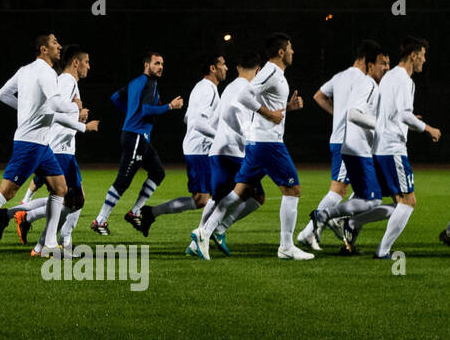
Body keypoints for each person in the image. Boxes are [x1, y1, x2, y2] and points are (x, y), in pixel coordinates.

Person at [0, 33, 80, 260]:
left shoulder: (25, 70)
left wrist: (27, 110)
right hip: (30, 143)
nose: (59, 46)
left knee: (60, 189)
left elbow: (2, 94)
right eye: (55, 43)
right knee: (7, 191)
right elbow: (55, 103)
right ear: (44, 49)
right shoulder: (46, 72)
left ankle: (49, 245)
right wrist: (76, 110)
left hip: (41, 144)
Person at [191, 33, 310, 260]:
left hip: (259, 143)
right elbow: (246, 95)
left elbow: (268, 107)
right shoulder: (271, 71)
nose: (294, 52)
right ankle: (286, 247)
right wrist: (267, 113)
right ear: (282, 52)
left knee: (239, 193)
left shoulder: (276, 74)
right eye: (291, 48)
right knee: (292, 190)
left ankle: (204, 232)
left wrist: (287, 108)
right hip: (268, 143)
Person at [3, 44, 99, 254]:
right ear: (76, 62)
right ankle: (46, 238)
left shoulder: (68, 81)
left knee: (71, 198)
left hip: (63, 147)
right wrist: (82, 123)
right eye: (87, 62)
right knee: (70, 198)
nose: (89, 67)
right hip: (58, 148)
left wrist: (78, 114)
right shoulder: (66, 81)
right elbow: (54, 112)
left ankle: (37, 235)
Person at [297, 42, 388, 250]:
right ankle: (309, 231)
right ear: (368, 61)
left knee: (358, 190)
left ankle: (341, 226)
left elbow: (318, 96)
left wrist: (335, 115)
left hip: (339, 138)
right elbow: (356, 112)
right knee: (338, 190)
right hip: (349, 141)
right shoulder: (364, 80)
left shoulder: (340, 76)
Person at [130, 52, 226, 236]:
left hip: (201, 148)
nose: (226, 68)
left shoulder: (205, 88)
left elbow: (188, 117)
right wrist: (220, 136)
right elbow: (196, 122)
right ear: (212, 68)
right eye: (223, 64)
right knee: (206, 198)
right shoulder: (207, 89)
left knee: (210, 196)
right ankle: (203, 235)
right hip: (200, 149)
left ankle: (204, 232)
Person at [90, 51, 183, 235]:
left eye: (162, 64)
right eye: (156, 63)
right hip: (135, 136)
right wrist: (170, 106)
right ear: (146, 65)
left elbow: (115, 98)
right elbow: (147, 110)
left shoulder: (135, 82)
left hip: (139, 137)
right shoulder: (150, 83)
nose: (160, 67)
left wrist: (130, 113)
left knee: (158, 173)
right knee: (123, 180)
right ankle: (100, 220)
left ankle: (135, 211)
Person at [366, 37, 440, 258]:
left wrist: (405, 120)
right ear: (413, 55)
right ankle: (383, 250)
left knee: (390, 200)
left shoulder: (389, 77)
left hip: (379, 146)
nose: (424, 60)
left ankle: (349, 222)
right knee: (408, 201)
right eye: (423, 55)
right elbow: (404, 114)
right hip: (393, 148)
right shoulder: (404, 79)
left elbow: (390, 111)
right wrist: (428, 128)